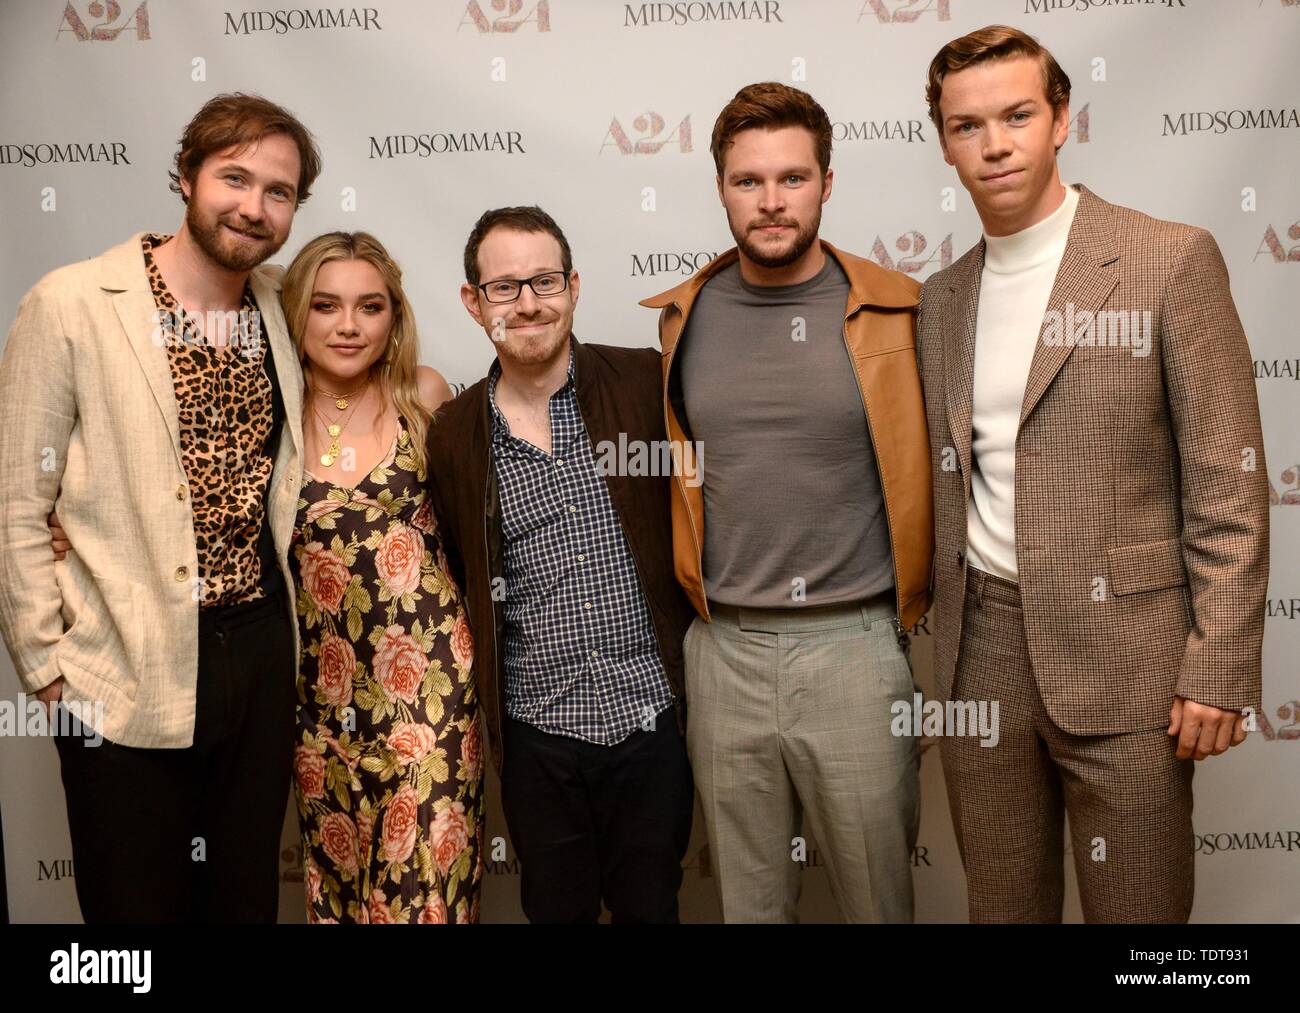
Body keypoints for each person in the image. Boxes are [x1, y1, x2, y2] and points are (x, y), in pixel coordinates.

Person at [916, 25, 1269, 922]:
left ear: (1062, 118)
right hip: (979, 654)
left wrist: (1219, 664)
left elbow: (1228, 481)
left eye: (1017, 116)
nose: (994, 144)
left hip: (1132, 655)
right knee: (1002, 906)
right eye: (967, 126)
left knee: (1141, 925)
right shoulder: (940, 299)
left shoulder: (1167, 259)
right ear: (944, 138)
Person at [0, 93, 320, 922]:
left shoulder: (282, 308)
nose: (254, 206)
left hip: (255, 649)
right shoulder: (73, 302)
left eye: (278, 191)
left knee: (242, 897)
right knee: (132, 911)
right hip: (122, 656)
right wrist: (47, 668)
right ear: (186, 177)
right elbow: (18, 497)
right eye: (235, 178)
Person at [640, 83, 933, 923]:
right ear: (722, 187)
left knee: (879, 903)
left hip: (854, 646)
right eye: (748, 181)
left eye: (793, 179)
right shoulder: (683, 316)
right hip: (723, 650)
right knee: (750, 907)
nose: (771, 202)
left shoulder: (900, 308)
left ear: (827, 184)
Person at [425, 206, 696, 923]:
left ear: (574, 286)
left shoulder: (644, 383)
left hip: (650, 719)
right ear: (473, 302)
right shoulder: (453, 434)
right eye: (504, 287)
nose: (527, 303)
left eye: (543, 281)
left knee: (652, 909)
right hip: (537, 735)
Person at [278, 231, 482, 924]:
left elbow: (475, 523)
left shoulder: (423, 397)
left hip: (433, 693)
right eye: (326, 305)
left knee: (426, 891)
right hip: (320, 699)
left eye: (370, 306)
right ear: (296, 311)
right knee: (337, 887)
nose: (348, 325)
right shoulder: (272, 418)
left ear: (394, 316)